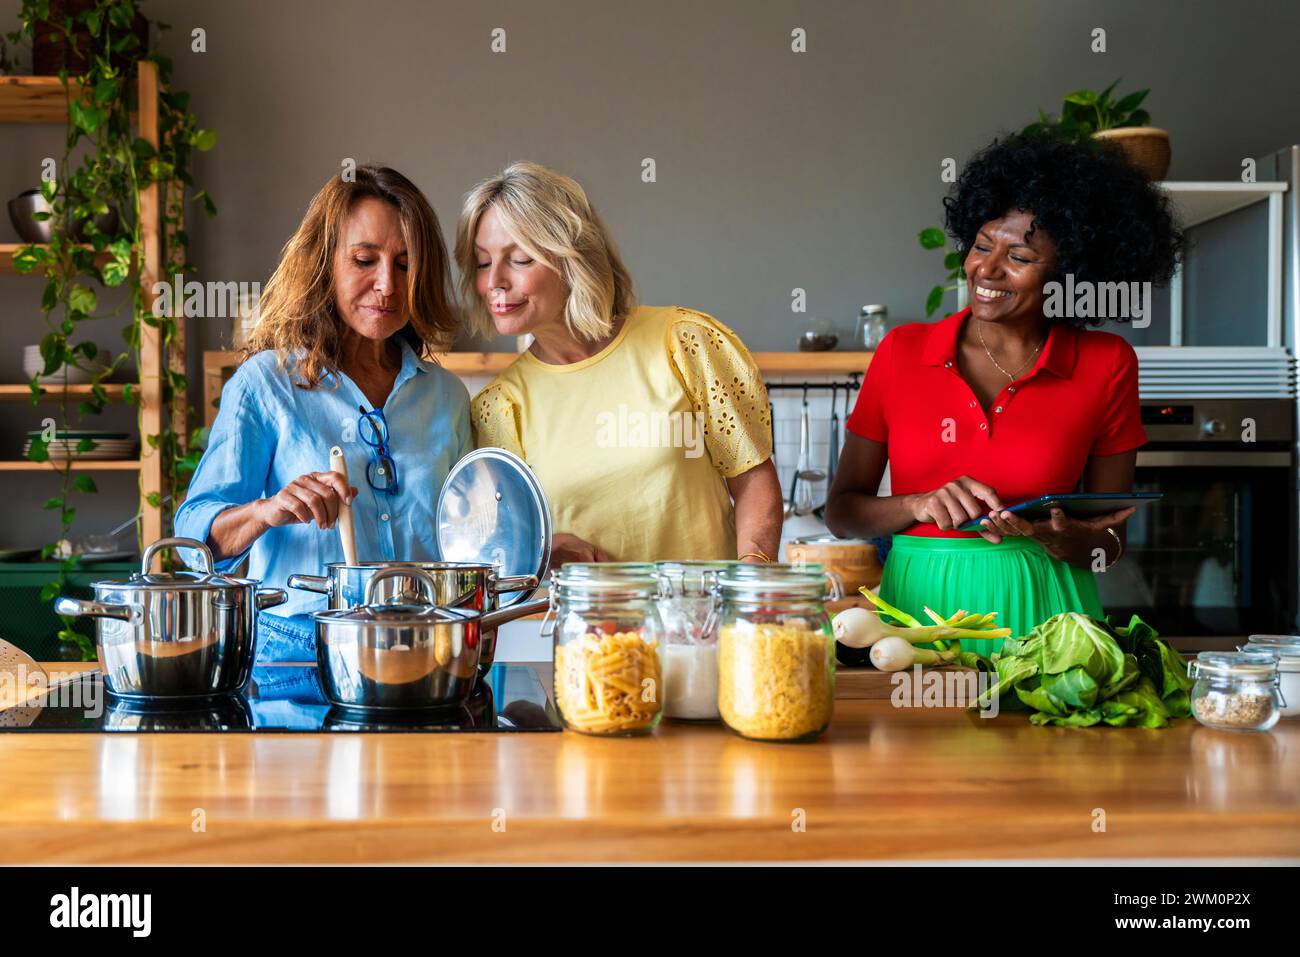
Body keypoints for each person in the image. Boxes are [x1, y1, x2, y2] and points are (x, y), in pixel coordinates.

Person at [826, 133, 1185, 654]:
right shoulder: (902, 352)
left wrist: (1064, 539)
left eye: (1018, 255)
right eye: (981, 245)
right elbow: (841, 512)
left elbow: (1111, 539)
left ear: (1071, 271)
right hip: (917, 615)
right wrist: (918, 503)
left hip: (1049, 612)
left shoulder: (1106, 364)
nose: (987, 271)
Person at [174, 165, 470, 660]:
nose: (388, 285)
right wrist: (266, 511)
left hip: (422, 655)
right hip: (295, 658)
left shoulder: (446, 397)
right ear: (324, 263)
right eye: (363, 259)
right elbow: (192, 543)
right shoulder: (266, 384)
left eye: (405, 264)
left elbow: (468, 541)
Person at [458, 161, 783, 565]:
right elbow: (505, 549)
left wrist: (752, 578)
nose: (494, 282)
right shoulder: (498, 407)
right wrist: (540, 550)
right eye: (483, 262)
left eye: (520, 259)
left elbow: (753, 479)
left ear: (572, 258)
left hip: (705, 620)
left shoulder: (685, 343)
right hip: (589, 626)